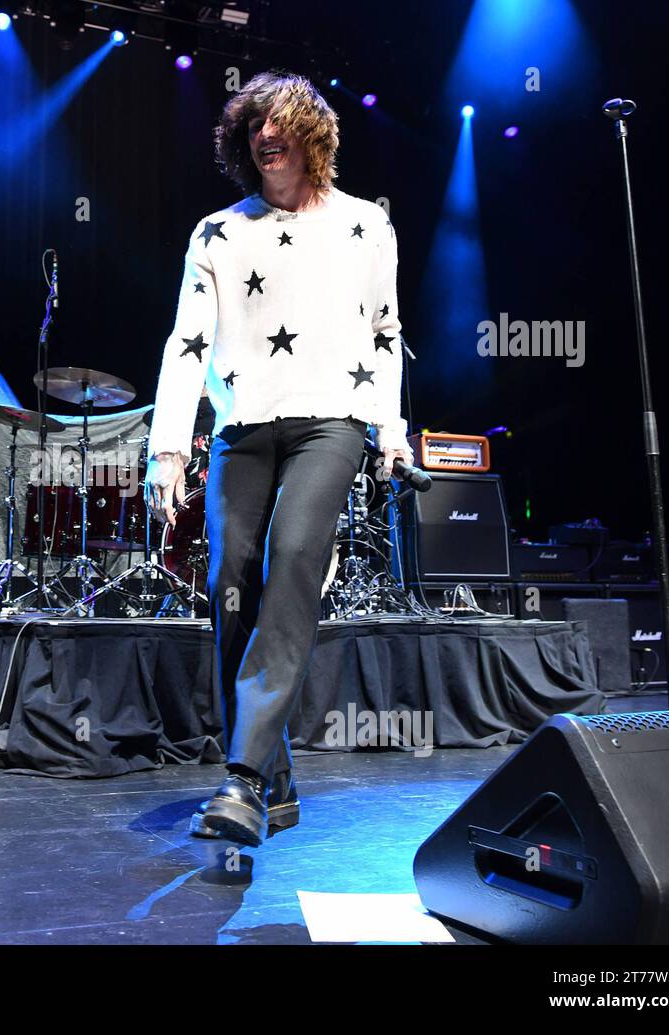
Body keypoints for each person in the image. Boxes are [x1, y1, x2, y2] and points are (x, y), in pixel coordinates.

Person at [145, 71, 413, 847]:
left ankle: (242, 779)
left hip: (332, 423)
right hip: (244, 429)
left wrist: (390, 429)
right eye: (255, 123)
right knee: (232, 584)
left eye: (282, 122)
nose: (268, 134)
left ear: (312, 137)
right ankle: (277, 776)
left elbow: (386, 333)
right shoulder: (219, 232)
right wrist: (167, 446)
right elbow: (186, 341)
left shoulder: (366, 226)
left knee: (294, 557)